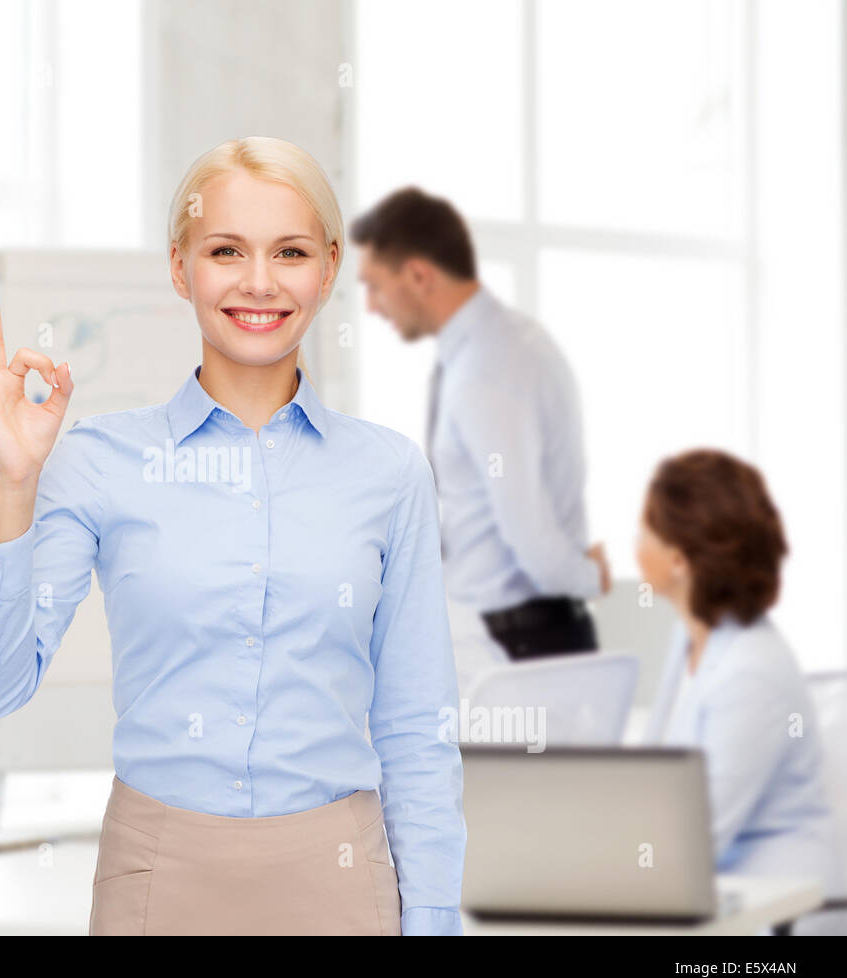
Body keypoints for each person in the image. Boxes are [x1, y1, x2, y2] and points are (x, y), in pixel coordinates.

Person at [0, 137, 465, 936]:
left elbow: (416, 723)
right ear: (181, 267)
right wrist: (14, 486)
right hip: (156, 877)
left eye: (288, 252)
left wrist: (432, 916)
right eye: (225, 251)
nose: (258, 281)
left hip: (343, 879)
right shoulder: (98, 462)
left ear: (328, 266)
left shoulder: (389, 474)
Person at [351, 187, 610, 662]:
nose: (371, 306)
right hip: (519, 638)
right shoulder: (503, 346)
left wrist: (590, 578)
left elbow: (531, 538)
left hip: (519, 647)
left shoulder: (487, 371)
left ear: (418, 275)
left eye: (374, 284)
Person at [637, 449, 843, 903]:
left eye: (646, 532)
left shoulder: (752, 671)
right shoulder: (688, 638)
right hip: (716, 891)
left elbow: (695, 839)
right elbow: (653, 787)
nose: (636, 546)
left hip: (779, 907)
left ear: (678, 560)